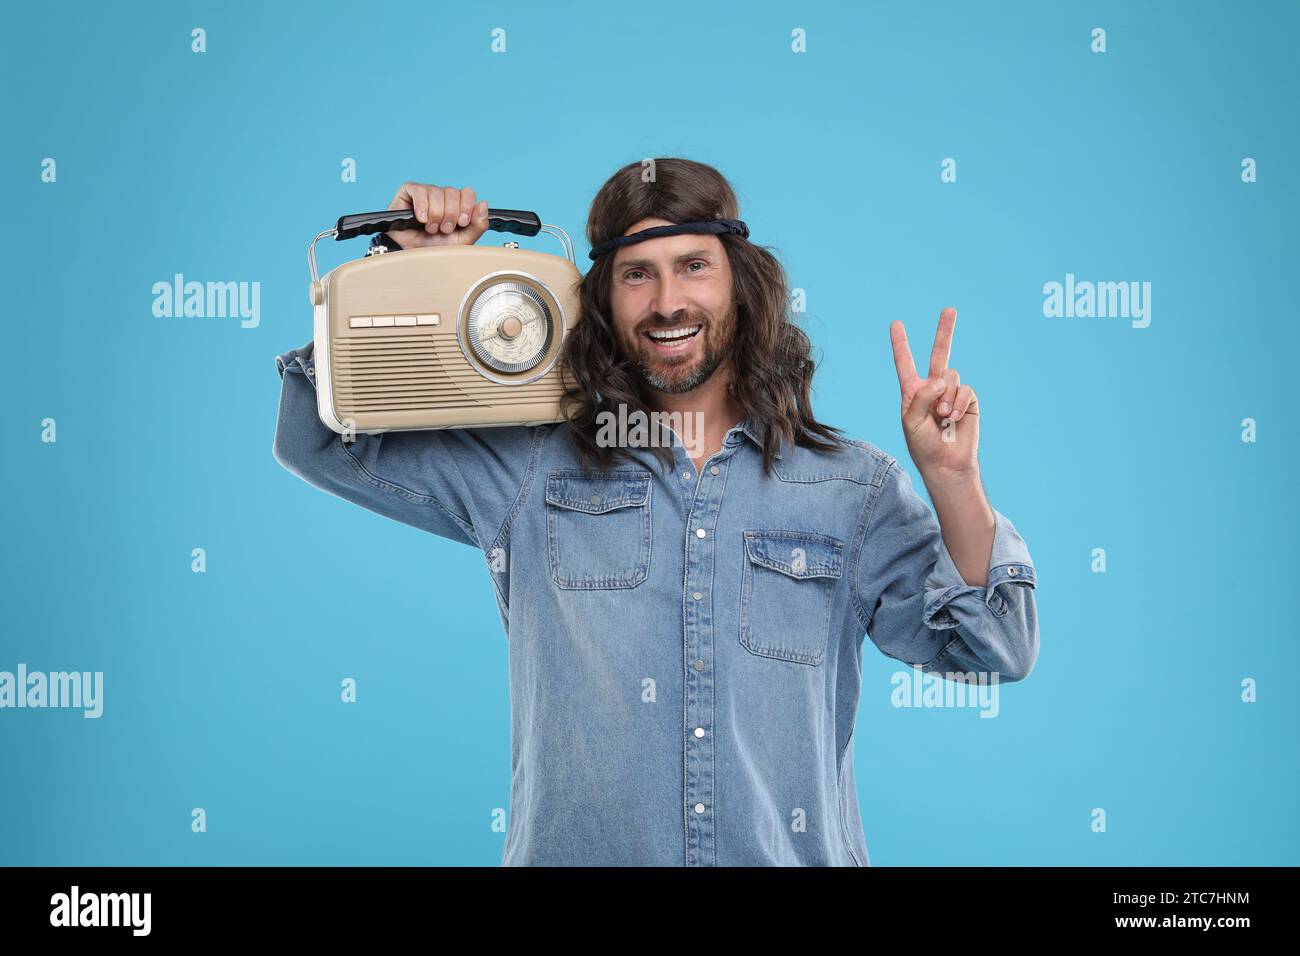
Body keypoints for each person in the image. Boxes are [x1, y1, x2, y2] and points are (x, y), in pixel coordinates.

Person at [271, 157, 1039, 866]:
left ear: (740, 282)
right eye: (637, 274)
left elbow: (993, 647)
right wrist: (424, 270)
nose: (669, 301)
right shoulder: (530, 466)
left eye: (693, 266)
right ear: (601, 299)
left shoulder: (850, 486)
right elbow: (319, 437)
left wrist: (952, 480)